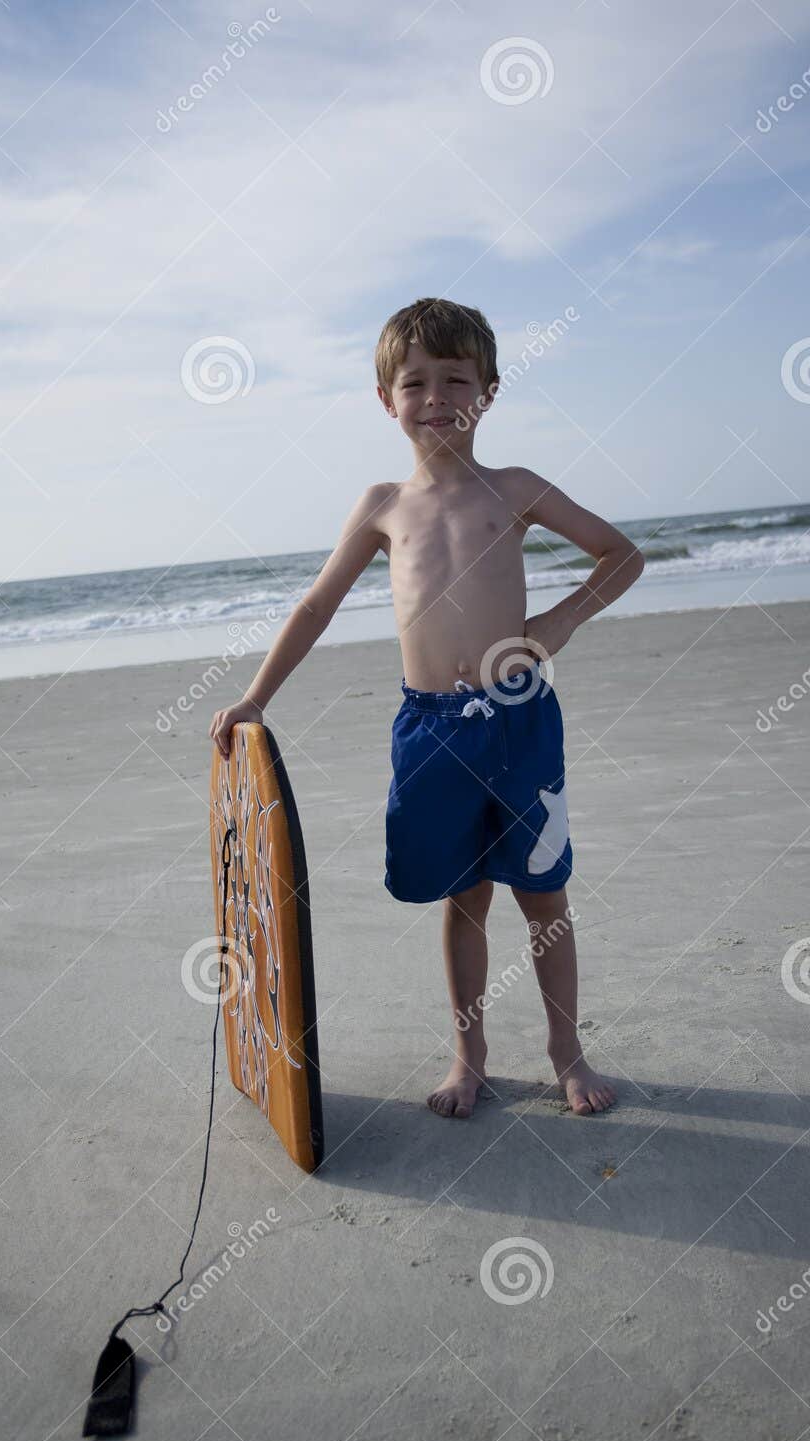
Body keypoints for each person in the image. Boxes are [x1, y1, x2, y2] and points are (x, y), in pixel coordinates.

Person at [210, 297, 644, 1121]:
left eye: (456, 379)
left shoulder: (514, 489)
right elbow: (314, 608)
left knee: (543, 895)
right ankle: (467, 1056)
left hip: (517, 717)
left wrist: (556, 622)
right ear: (387, 399)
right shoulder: (381, 506)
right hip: (430, 729)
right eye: (416, 382)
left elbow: (622, 556)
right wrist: (255, 695)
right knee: (463, 894)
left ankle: (566, 1052)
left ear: (486, 393)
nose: (436, 396)